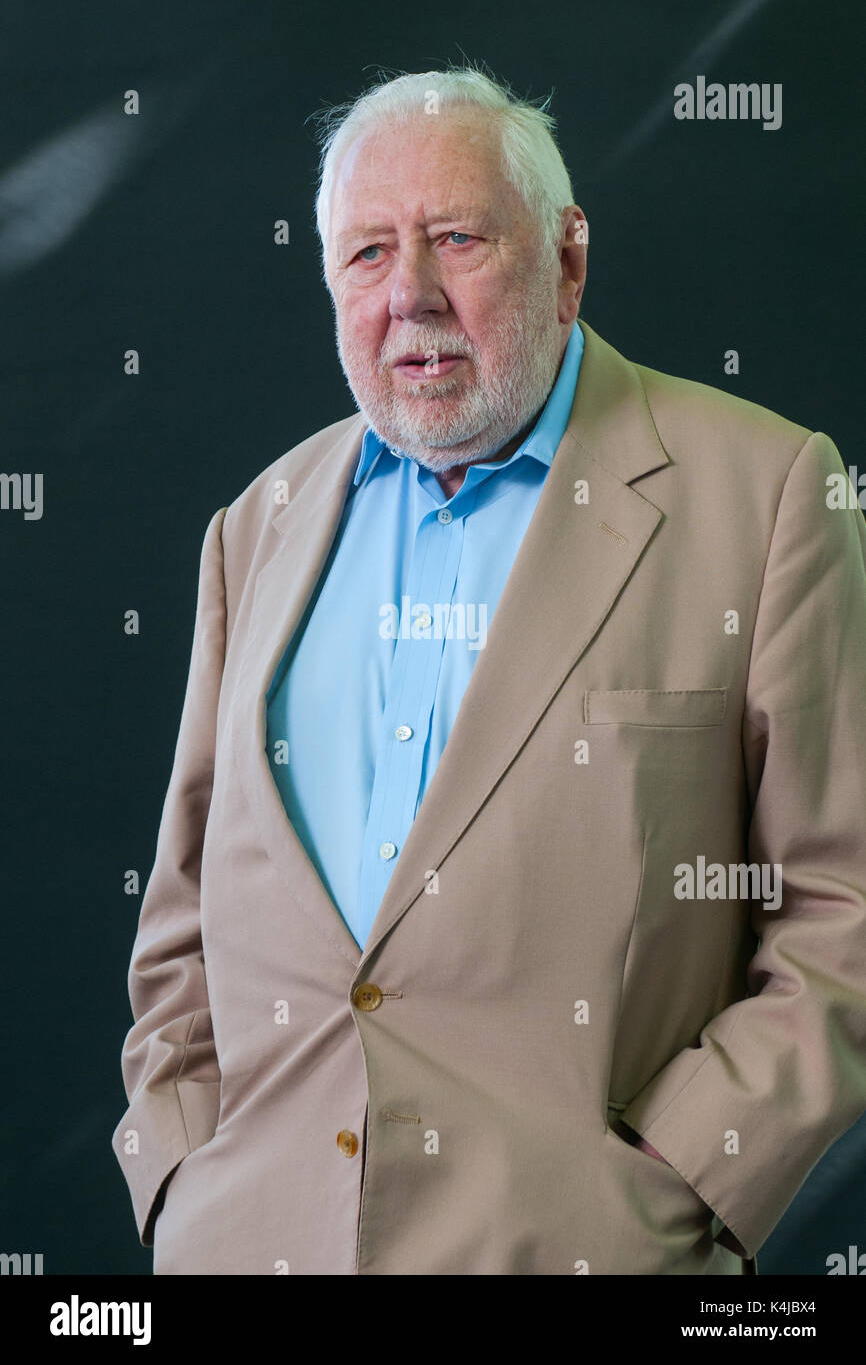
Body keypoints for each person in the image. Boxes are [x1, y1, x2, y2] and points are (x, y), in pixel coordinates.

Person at [112, 65, 866, 1275]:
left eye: (454, 239)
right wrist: (180, 1173)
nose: (408, 295)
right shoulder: (253, 528)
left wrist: (675, 1189)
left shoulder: (768, 495)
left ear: (567, 261)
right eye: (365, 255)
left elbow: (845, 913)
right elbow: (181, 925)